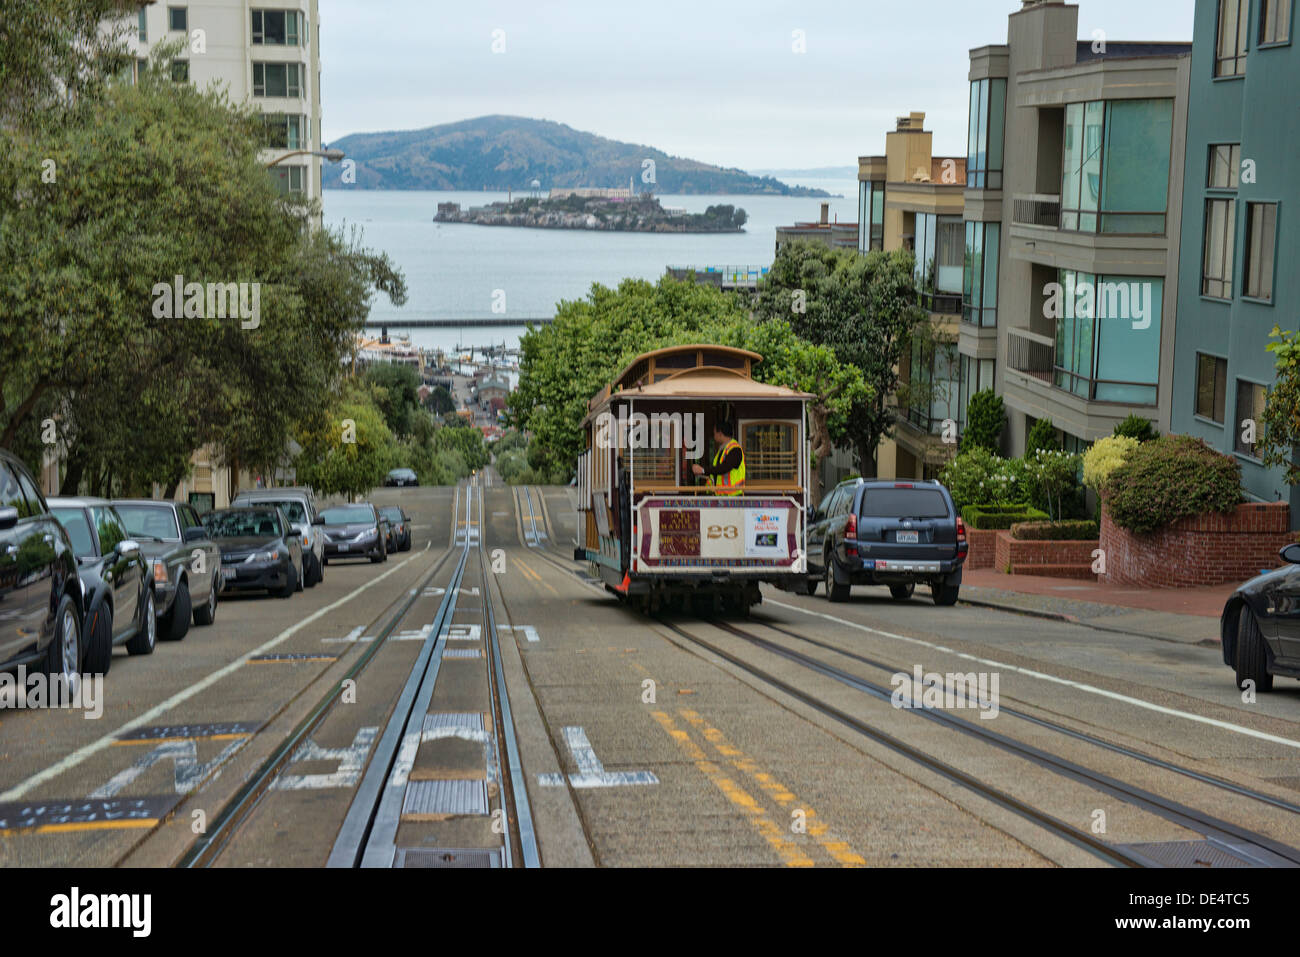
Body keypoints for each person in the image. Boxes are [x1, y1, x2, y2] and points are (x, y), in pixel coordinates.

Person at [691, 420, 745, 494]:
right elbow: (716, 471)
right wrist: (701, 472)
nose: (714, 436)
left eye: (714, 433)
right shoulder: (723, 449)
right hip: (722, 495)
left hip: (733, 498)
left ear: (720, 434)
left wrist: (702, 470)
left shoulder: (735, 449)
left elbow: (724, 468)